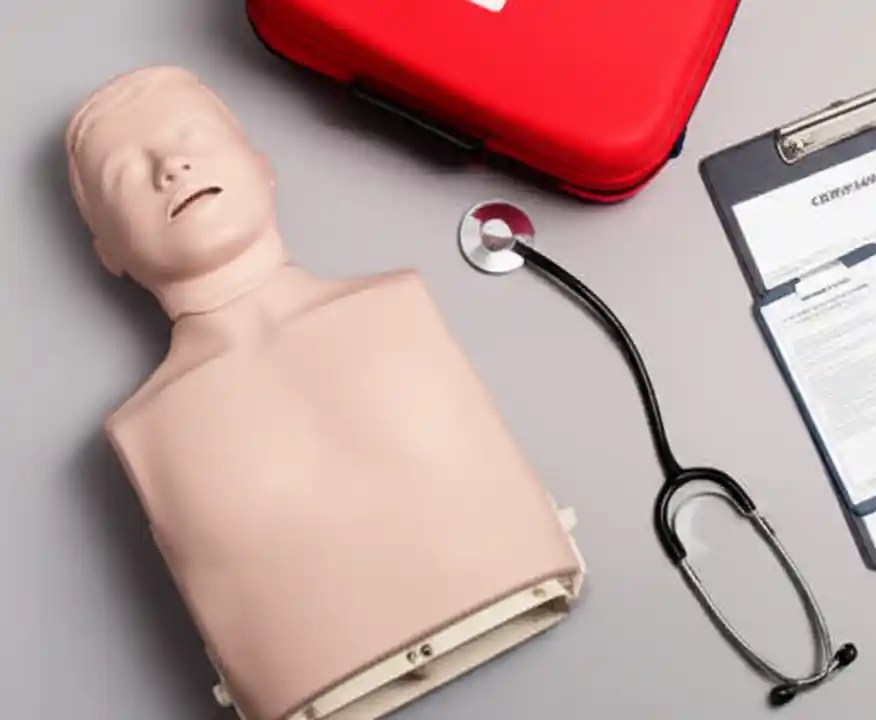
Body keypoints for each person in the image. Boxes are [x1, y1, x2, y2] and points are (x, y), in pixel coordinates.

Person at [67, 66, 584, 720]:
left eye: (193, 136)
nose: (171, 166)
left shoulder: (397, 304)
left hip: (527, 590)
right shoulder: (145, 429)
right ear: (105, 249)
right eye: (124, 175)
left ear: (261, 165)